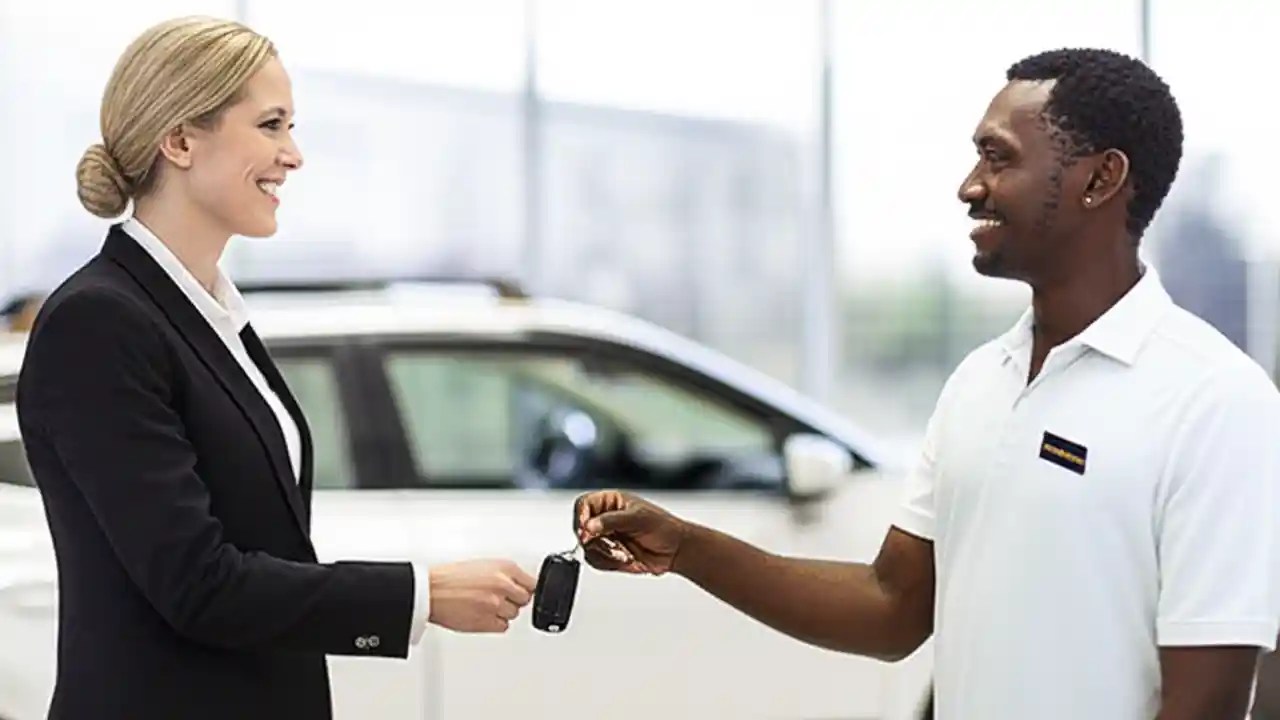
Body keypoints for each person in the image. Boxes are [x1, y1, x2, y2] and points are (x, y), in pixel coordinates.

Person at [574, 48, 1280, 719]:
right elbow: (891, 608)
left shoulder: (1215, 400)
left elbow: (1205, 706)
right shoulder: (980, 382)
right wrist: (687, 547)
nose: (970, 186)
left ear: (1099, 179)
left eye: (998, 157)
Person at [15, 16, 536, 720]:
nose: (293, 155)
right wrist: (422, 595)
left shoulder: (210, 314)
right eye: (271, 125)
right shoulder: (99, 322)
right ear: (179, 141)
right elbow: (197, 582)